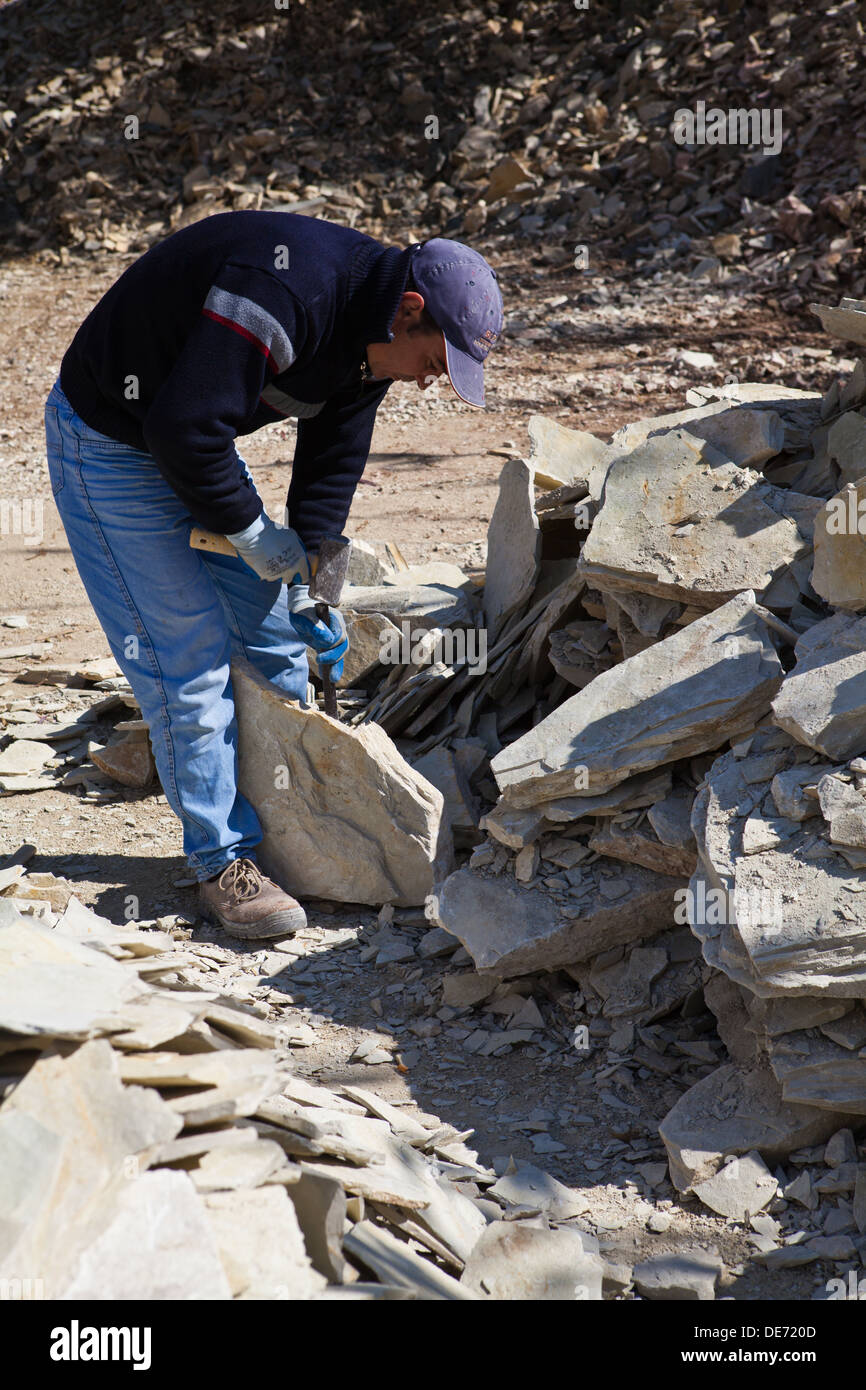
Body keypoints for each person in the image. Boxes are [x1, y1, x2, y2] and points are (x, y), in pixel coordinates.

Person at [45, 211, 503, 939]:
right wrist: (255, 536)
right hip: (114, 440)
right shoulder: (289, 289)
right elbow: (183, 427)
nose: (429, 384)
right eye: (434, 363)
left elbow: (331, 460)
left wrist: (315, 584)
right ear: (409, 312)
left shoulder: (374, 334)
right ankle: (221, 862)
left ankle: (291, 831)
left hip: (190, 441)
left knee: (277, 641)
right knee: (187, 660)